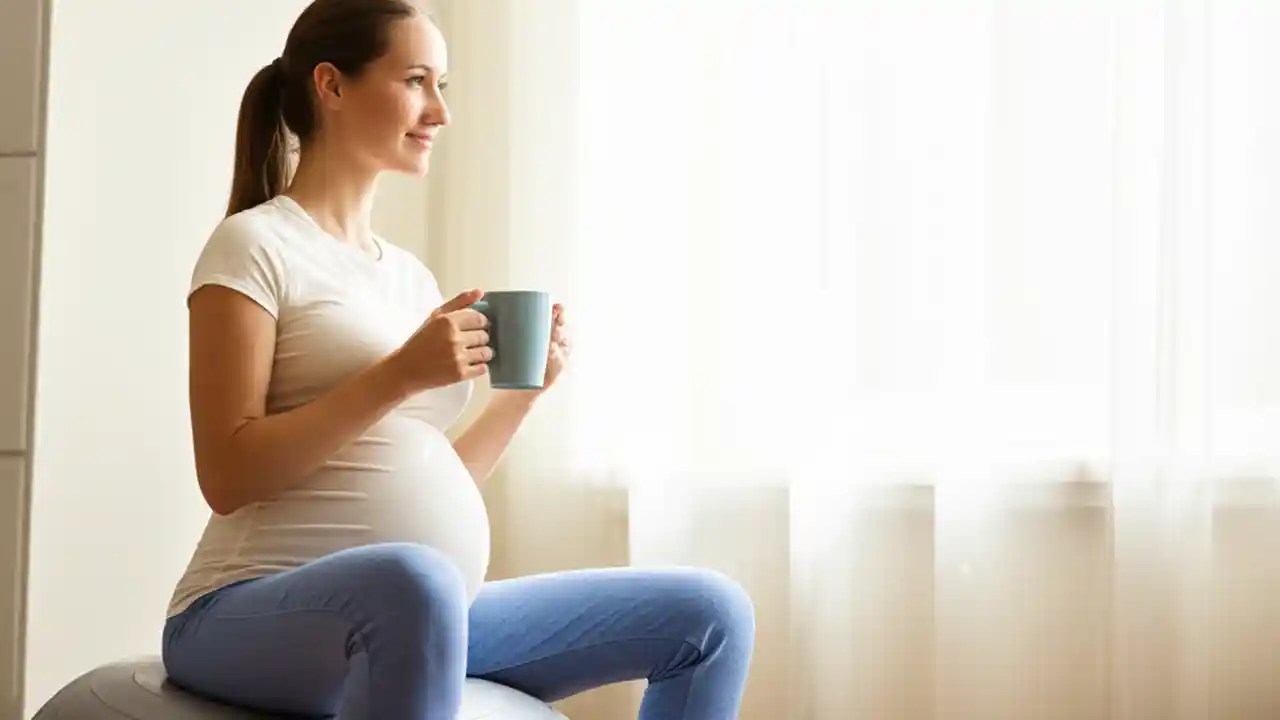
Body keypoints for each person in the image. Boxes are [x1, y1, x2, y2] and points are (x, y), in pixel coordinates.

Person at [160, 1, 755, 718]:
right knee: (418, 581)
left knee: (709, 614)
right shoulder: (253, 246)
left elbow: (420, 476)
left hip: (417, 610)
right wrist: (401, 374)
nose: (439, 111)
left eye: (443, 86)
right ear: (332, 85)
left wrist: (519, 399)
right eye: (416, 80)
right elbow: (227, 474)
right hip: (244, 611)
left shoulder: (406, 277)